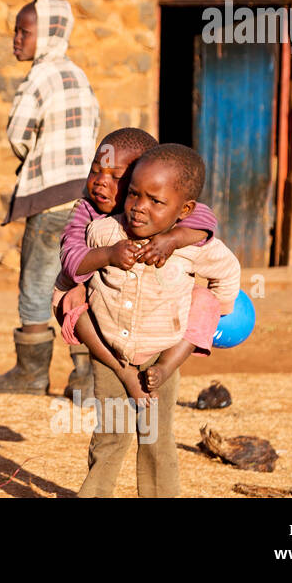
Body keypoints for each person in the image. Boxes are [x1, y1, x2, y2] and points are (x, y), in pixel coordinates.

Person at [77, 144, 241, 498]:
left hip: (161, 356)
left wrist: (215, 311)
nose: (139, 207)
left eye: (156, 201)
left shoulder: (193, 248)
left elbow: (228, 272)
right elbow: (79, 264)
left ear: (185, 210)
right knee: (111, 435)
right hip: (110, 353)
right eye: (134, 194)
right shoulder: (105, 233)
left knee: (155, 437)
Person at [51, 127, 221, 400]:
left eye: (116, 177)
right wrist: (108, 255)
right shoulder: (84, 211)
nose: (100, 182)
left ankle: (166, 365)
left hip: (149, 310)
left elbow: (206, 219)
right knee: (73, 298)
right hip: (99, 306)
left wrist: (172, 239)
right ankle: (121, 371)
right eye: (95, 171)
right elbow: (70, 261)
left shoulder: (149, 203)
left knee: (202, 300)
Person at [0, 0, 101, 396]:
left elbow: (18, 134)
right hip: (85, 199)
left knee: (36, 283)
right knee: (78, 279)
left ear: (49, 34)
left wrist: (32, 158)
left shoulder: (39, 77)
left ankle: (31, 374)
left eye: (25, 32)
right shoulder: (78, 75)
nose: (16, 39)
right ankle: (85, 377)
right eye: (16, 31)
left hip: (50, 196)